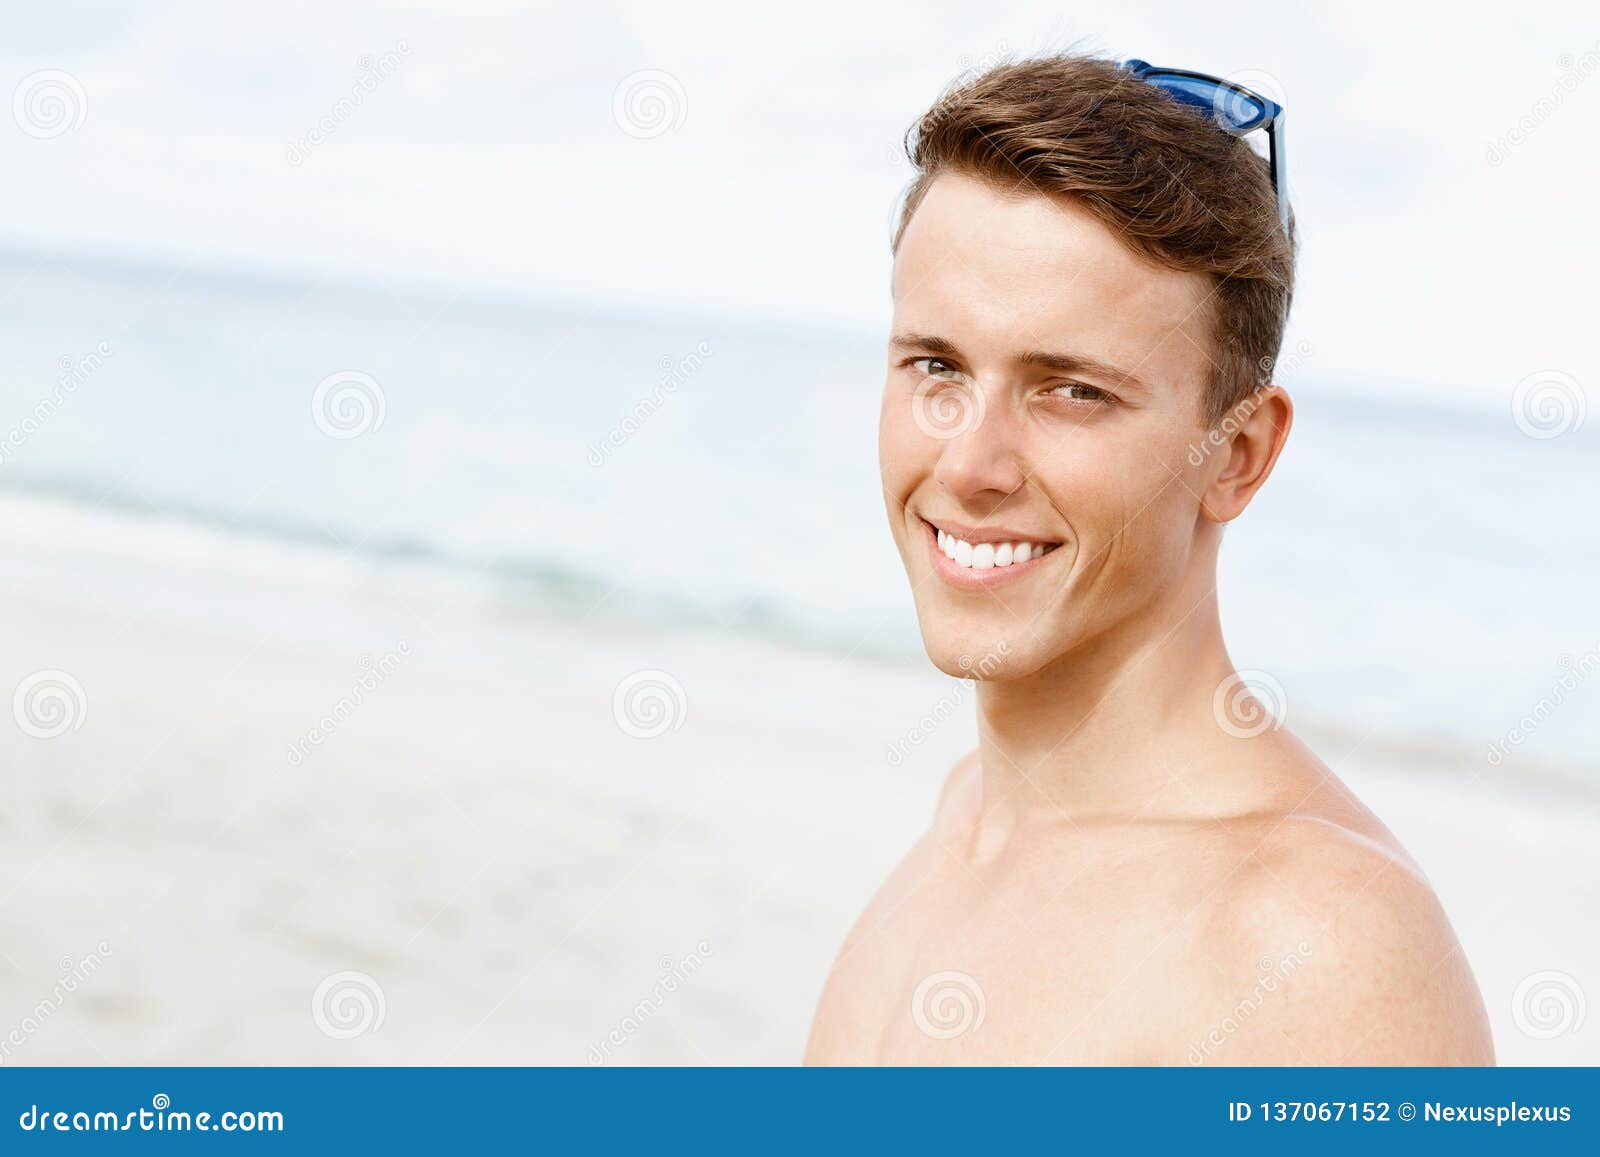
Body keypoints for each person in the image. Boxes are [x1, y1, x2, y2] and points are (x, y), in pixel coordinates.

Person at [804, 53, 1492, 1065]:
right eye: (936, 365)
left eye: (1071, 389)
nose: (969, 462)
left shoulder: (1318, 948)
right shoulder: (969, 810)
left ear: (1238, 453)